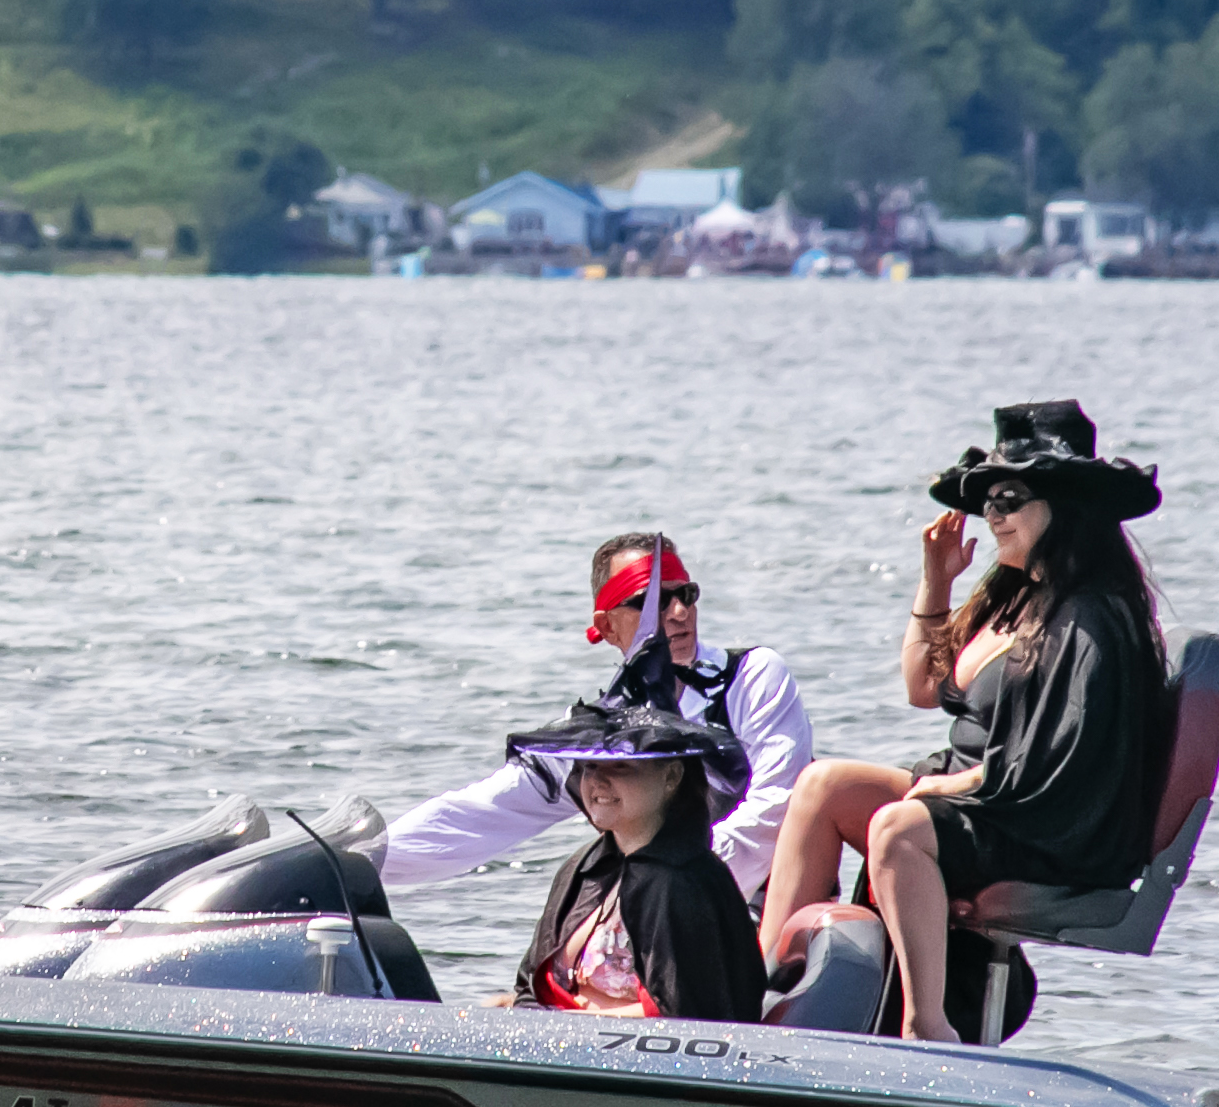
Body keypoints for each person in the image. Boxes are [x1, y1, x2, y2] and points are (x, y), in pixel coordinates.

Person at [755, 402, 1167, 1042]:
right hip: (988, 795)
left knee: (898, 828)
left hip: (1044, 818)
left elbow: (1071, 759)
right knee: (822, 786)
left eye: (1009, 498)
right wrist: (935, 581)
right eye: (987, 502)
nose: (992, 515)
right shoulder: (1018, 596)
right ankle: (762, 991)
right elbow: (924, 686)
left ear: (1066, 504)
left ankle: (926, 1025)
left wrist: (955, 789)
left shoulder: (1093, 617)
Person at [384, 533, 811, 901]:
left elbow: (777, 803)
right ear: (607, 628)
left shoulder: (752, 676)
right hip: (658, 910)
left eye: (686, 595)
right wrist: (354, 864)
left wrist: (676, 883)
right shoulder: (601, 729)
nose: (679, 612)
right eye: (653, 602)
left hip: (764, 908)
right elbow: (476, 815)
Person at [507, 704, 764, 1021]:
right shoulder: (581, 867)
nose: (596, 780)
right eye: (588, 766)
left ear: (671, 777)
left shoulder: (684, 883)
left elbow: (690, 1019)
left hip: (637, 1063)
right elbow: (529, 987)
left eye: (618, 767)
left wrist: (570, 1027)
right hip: (558, 1048)